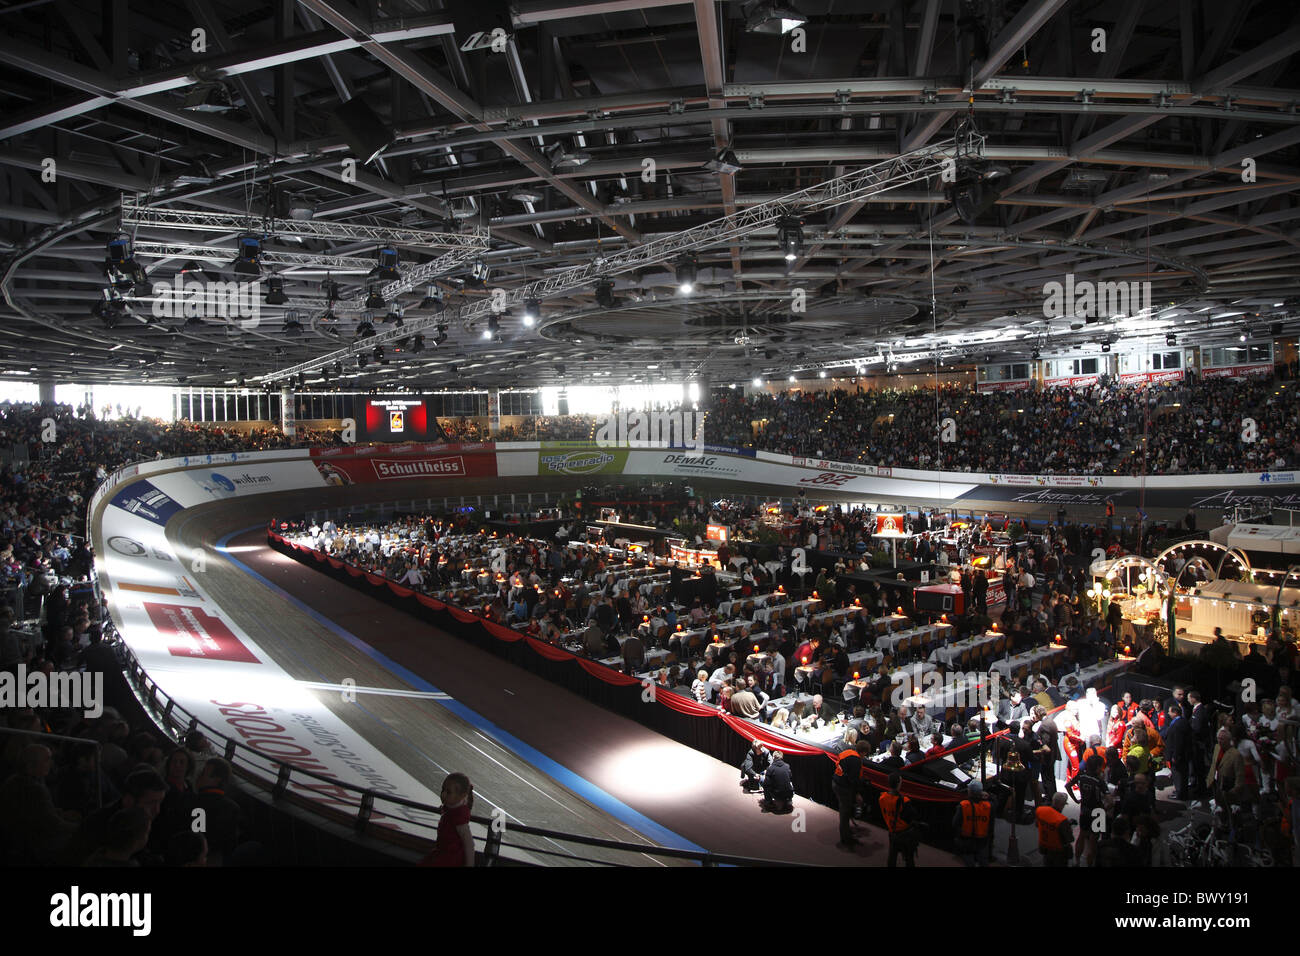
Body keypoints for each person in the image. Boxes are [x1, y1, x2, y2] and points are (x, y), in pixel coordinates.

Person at [420, 772, 475, 867]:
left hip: (449, 860)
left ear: (461, 796)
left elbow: (469, 844)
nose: (443, 794)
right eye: (443, 790)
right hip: (443, 856)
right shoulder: (451, 811)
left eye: (448, 792)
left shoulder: (458, 817)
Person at [832, 739, 866, 848]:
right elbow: (853, 779)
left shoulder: (848, 751)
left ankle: (846, 833)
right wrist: (857, 794)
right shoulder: (856, 760)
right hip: (842, 787)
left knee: (844, 811)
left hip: (836, 782)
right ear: (863, 752)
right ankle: (846, 839)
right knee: (845, 812)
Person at [879, 772, 917, 867]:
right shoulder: (904, 801)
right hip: (904, 833)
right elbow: (912, 816)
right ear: (899, 783)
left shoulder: (882, 797)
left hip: (892, 831)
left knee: (892, 856)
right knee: (909, 857)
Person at [952, 780, 992, 867]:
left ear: (969, 791)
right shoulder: (988, 805)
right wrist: (987, 796)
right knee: (983, 861)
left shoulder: (963, 805)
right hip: (982, 839)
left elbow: (955, 823)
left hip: (967, 839)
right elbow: (995, 802)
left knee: (969, 861)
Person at [1035, 792, 1073, 867]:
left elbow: (1037, 824)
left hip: (1044, 847)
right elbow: (1070, 839)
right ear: (1061, 805)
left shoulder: (1040, 810)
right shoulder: (1062, 820)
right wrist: (1068, 826)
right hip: (1058, 853)